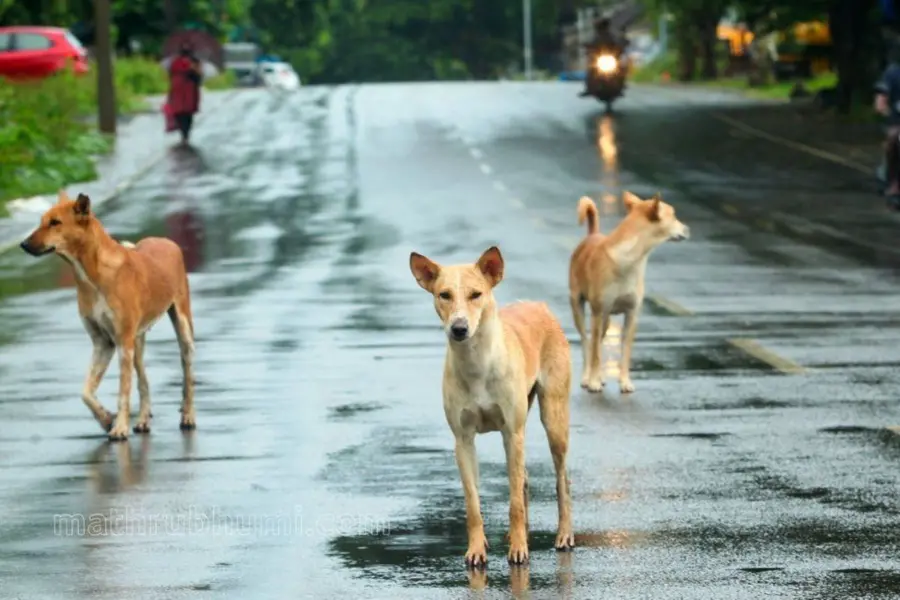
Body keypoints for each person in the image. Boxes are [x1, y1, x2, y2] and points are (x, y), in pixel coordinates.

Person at [874, 44, 900, 207]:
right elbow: (881, 100)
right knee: (893, 140)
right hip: (898, 121)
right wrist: (883, 109)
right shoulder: (893, 72)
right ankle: (894, 184)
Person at [579, 18, 628, 97]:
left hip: (612, 59)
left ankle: (621, 84)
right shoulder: (594, 37)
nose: (602, 29)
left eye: (603, 27)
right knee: (591, 70)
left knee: (621, 68)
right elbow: (588, 45)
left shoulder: (612, 36)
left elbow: (620, 43)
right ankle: (589, 88)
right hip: (598, 60)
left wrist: (622, 45)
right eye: (600, 27)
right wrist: (587, 48)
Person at [167, 43, 203, 145]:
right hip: (187, 90)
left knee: (182, 112)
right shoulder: (193, 62)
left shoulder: (175, 62)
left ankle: (184, 132)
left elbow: (170, 74)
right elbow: (198, 77)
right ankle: (185, 133)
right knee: (186, 113)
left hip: (180, 90)